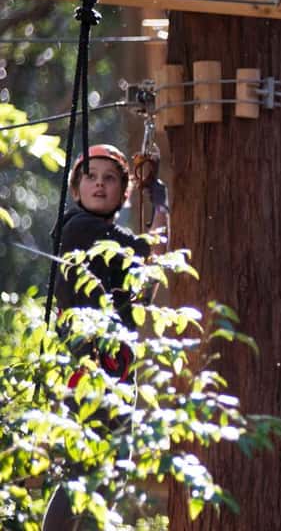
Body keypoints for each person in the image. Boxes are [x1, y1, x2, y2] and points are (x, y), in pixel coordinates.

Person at [43, 144, 169, 530]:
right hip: (90, 367)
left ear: (122, 192)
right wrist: (160, 209)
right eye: (90, 177)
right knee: (90, 472)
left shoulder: (105, 235)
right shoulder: (80, 228)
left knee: (109, 471)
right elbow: (151, 247)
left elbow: (141, 282)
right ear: (76, 189)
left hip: (112, 365)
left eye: (109, 178)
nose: (99, 184)